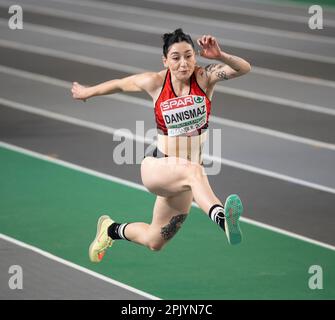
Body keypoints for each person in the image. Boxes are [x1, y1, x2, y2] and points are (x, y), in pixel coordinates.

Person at [71, 28, 251, 263]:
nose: (183, 63)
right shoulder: (155, 82)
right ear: (165, 61)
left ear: (196, 56)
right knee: (195, 171)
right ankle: (222, 219)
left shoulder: (204, 78)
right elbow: (120, 84)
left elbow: (243, 68)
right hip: (157, 167)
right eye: (176, 58)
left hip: (183, 179)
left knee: (155, 241)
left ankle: (110, 230)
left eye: (189, 56)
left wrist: (220, 56)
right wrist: (87, 92)